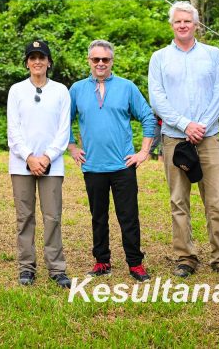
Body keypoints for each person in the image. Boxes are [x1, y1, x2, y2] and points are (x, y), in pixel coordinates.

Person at [148, 1, 219, 278]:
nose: (182, 25)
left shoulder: (213, 55)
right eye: (178, 21)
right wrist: (184, 124)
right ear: (172, 24)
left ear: (196, 24)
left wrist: (200, 126)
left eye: (187, 21)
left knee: (217, 200)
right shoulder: (160, 58)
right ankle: (185, 257)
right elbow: (158, 99)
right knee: (179, 201)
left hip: (208, 138)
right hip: (174, 139)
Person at [68, 40, 155, 283]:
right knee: (98, 216)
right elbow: (63, 120)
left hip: (123, 166)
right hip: (93, 166)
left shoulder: (127, 88)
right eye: (95, 59)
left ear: (112, 61)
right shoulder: (77, 89)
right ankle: (102, 261)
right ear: (89, 61)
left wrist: (143, 151)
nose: (100, 63)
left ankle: (135, 263)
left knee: (128, 216)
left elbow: (148, 117)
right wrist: (72, 147)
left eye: (105, 59)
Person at [7, 39, 72, 289]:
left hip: (52, 165)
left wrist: (46, 157)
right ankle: (26, 267)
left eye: (41, 57)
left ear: (48, 62)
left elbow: (63, 131)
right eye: (32, 57)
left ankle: (56, 268)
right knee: (25, 217)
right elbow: (13, 130)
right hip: (22, 163)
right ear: (26, 63)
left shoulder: (60, 91)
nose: (37, 62)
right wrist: (29, 157)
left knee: (52, 216)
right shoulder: (16, 90)